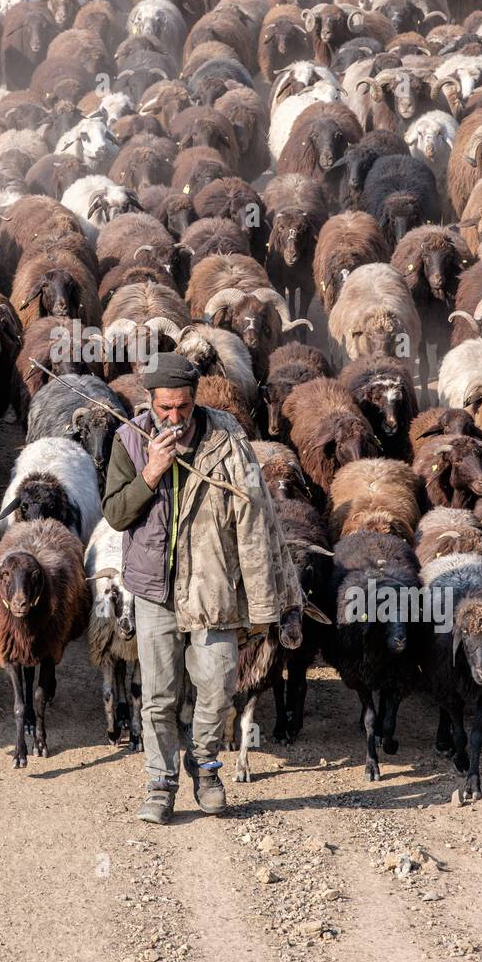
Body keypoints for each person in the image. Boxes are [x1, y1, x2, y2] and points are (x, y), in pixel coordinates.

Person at [102, 353, 304, 824]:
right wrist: (151, 471)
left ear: (195, 401)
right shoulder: (129, 439)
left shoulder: (228, 440)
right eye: (165, 408)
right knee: (159, 694)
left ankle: (206, 767)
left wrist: (271, 599)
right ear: (149, 401)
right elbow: (115, 514)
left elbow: (259, 521)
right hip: (154, 589)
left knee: (216, 686)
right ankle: (161, 783)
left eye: (184, 407)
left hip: (213, 585)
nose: (174, 417)